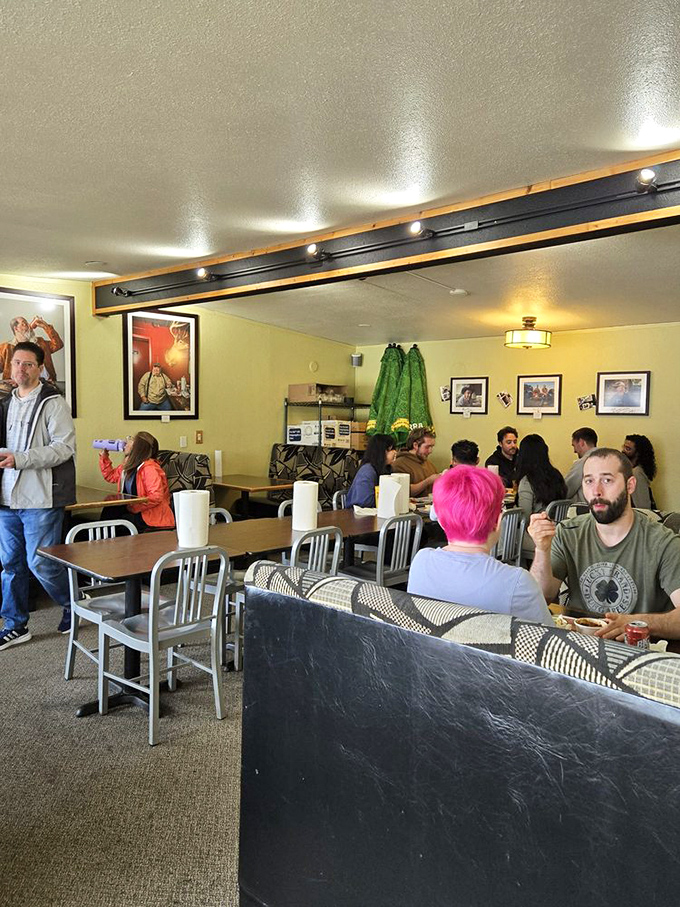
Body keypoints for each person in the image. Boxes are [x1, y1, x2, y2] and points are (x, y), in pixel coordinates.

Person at [528, 448, 680, 640]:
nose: (596, 491)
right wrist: (542, 549)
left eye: (607, 480)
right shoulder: (568, 533)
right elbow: (540, 598)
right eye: (589, 481)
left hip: (637, 649)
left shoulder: (663, 543)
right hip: (580, 644)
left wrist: (636, 624)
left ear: (630, 485)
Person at [0, 341, 76, 650]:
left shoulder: (53, 402)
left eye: (28, 364)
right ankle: (15, 625)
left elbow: (64, 448)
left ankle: (73, 602)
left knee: (41, 563)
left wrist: (21, 459)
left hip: (40, 499)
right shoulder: (5, 402)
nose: (21, 368)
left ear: (40, 368)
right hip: (6, 498)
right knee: (10, 565)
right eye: (16, 363)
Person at [408, 465, 552, 625]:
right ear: (498, 521)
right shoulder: (516, 582)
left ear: (440, 521)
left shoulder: (421, 562)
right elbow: (547, 634)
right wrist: (542, 550)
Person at [99, 431, 174, 531]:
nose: (126, 443)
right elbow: (110, 476)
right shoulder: (128, 465)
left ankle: (102, 538)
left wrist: (134, 507)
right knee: (111, 509)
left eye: (131, 440)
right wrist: (104, 458)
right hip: (135, 509)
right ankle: (99, 537)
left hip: (151, 516)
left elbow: (156, 497)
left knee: (115, 523)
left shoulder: (150, 468)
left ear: (137, 448)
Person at [514, 435, 567, 558]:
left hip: (537, 536)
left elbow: (525, 517)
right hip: (557, 534)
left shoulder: (527, 481)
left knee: (505, 534)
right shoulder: (557, 475)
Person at [0, 315, 64, 384]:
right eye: (24, 324)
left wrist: (45, 326)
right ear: (16, 329)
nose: (28, 326)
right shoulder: (5, 348)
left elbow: (58, 344)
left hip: (46, 385)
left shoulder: (40, 342)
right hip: (17, 387)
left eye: (27, 323)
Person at [345, 434, 397, 508]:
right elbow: (364, 502)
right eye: (390, 449)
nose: (395, 452)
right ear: (380, 452)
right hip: (359, 513)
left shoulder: (386, 469)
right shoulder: (367, 471)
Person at [392, 428, 438, 496]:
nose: (430, 451)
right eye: (427, 447)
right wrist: (428, 481)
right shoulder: (399, 464)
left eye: (432, 447)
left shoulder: (429, 464)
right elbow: (404, 491)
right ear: (415, 445)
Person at [622, 434, 656, 510]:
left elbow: (643, 507)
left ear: (638, 453)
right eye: (624, 447)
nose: (623, 451)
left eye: (628, 449)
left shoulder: (636, 473)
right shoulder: (631, 470)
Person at [564, 427, 598, 502]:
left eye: (574, 446)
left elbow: (565, 490)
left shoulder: (583, 462)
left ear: (581, 442)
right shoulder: (609, 459)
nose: (574, 451)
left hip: (584, 507)